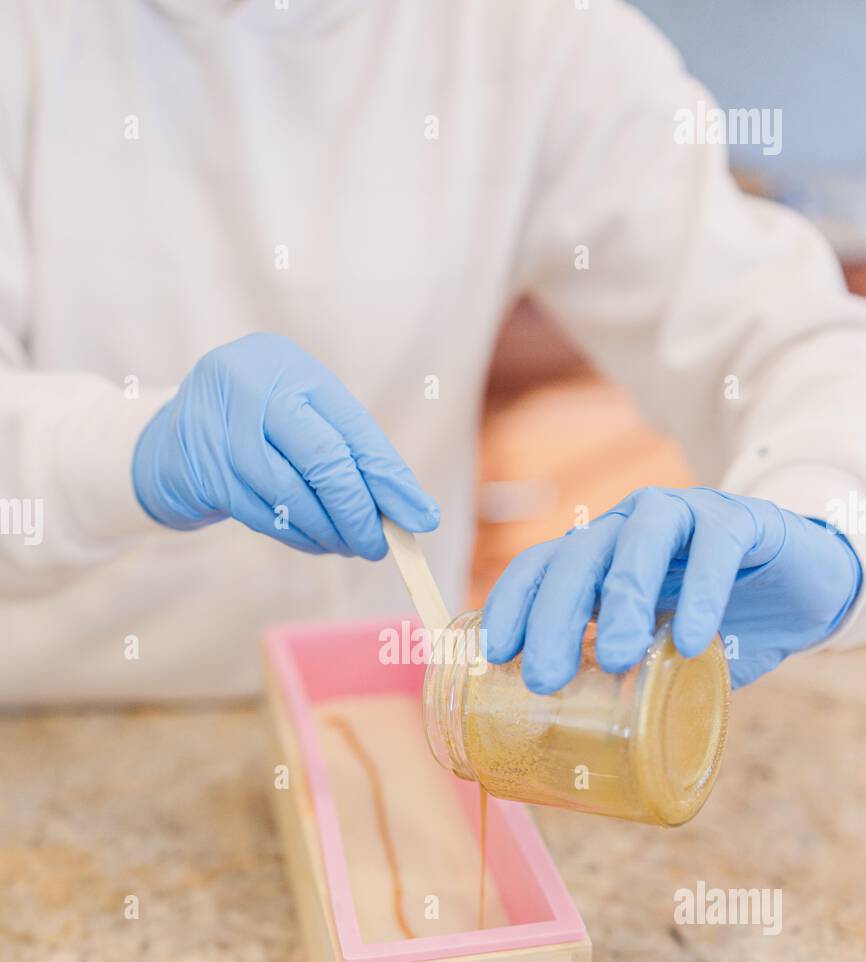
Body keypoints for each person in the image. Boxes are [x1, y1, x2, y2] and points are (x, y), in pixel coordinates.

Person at [0, 0, 863, 705]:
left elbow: (785, 333)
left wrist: (825, 521)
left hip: (382, 712)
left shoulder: (537, 38)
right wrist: (130, 452)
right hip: (48, 728)